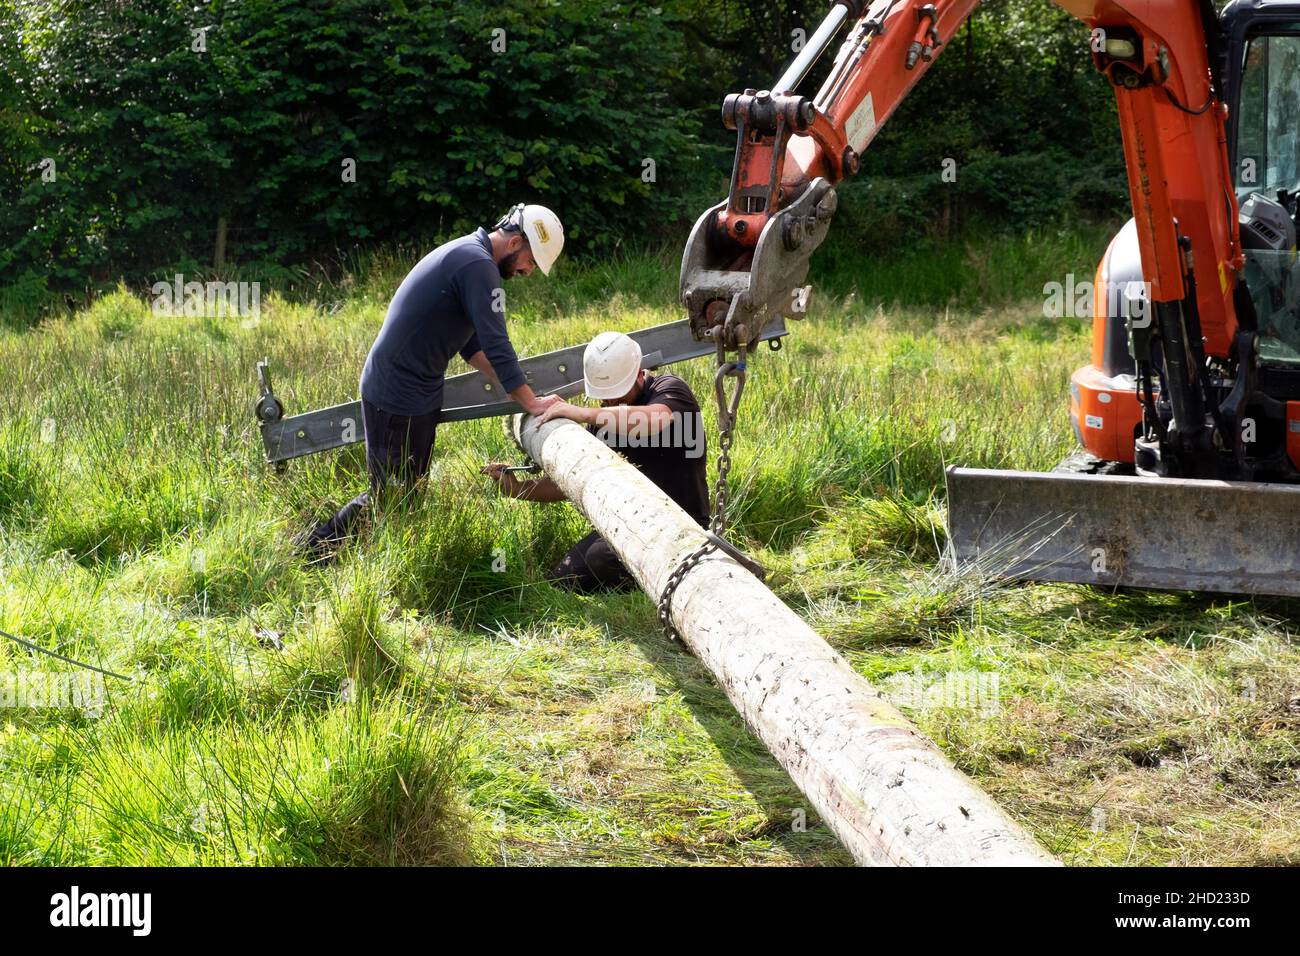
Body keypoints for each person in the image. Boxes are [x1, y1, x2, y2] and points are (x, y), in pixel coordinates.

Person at [299, 203, 565, 558]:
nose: (528, 272)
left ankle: (355, 555)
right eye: (531, 262)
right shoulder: (477, 265)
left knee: (405, 492)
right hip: (397, 393)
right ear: (516, 242)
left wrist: (513, 387)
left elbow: (470, 345)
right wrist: (531, 402)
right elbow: (497, 343)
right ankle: (315, 552)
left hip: (413, 391)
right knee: (392, 495)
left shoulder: (470, 256)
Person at [482, 331, 709, 592]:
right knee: (563, 580)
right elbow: (574, 479)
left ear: (639, 373)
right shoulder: (604, 417)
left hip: (683, 522)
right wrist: (519, 489)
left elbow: (655, 419)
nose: (611, 401)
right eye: (606, 396)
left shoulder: (669, 390)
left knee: (599, 559)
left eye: (618, 394)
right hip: (630, 525)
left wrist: (582, 412)